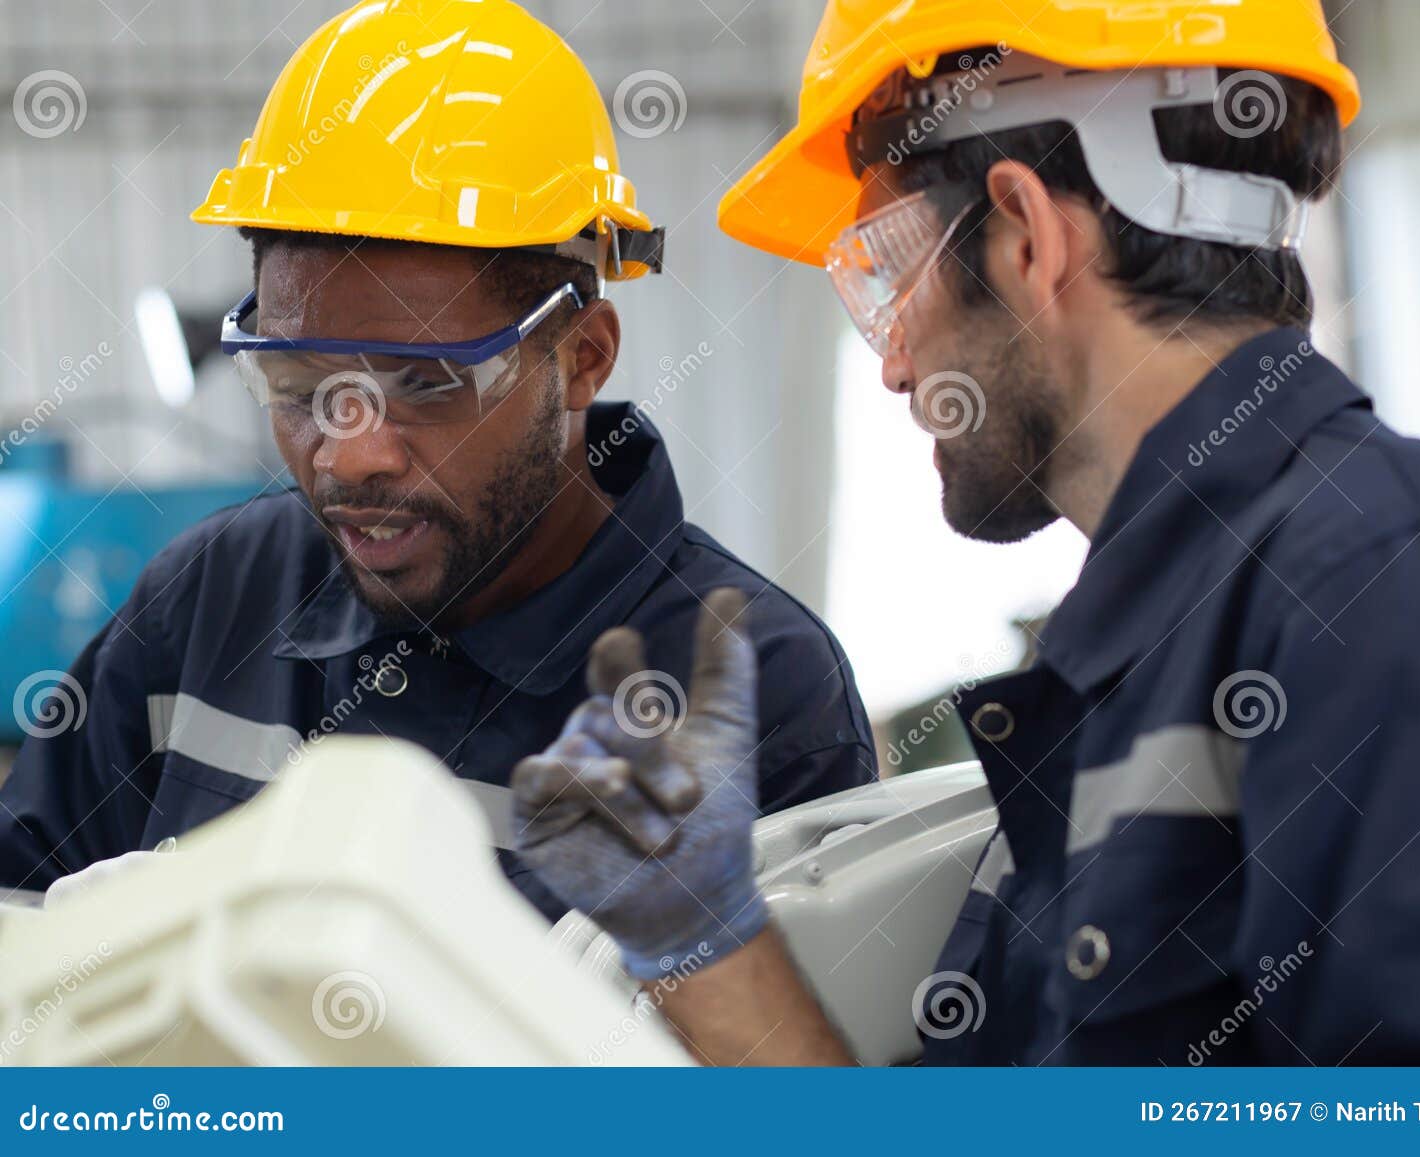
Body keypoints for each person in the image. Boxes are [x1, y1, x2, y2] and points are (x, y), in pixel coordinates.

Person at [510, 0, 1420, 1064]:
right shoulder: (1158, 650)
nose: (891, 362)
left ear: (1026, 233)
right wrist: (701, 935)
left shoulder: (1400, 595)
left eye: (886, 276)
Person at [0, 0, 874, 918]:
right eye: (299, 383)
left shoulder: (754, 694)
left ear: (581, 356)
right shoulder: (211, 600)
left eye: (424, 382)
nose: (349, 456)